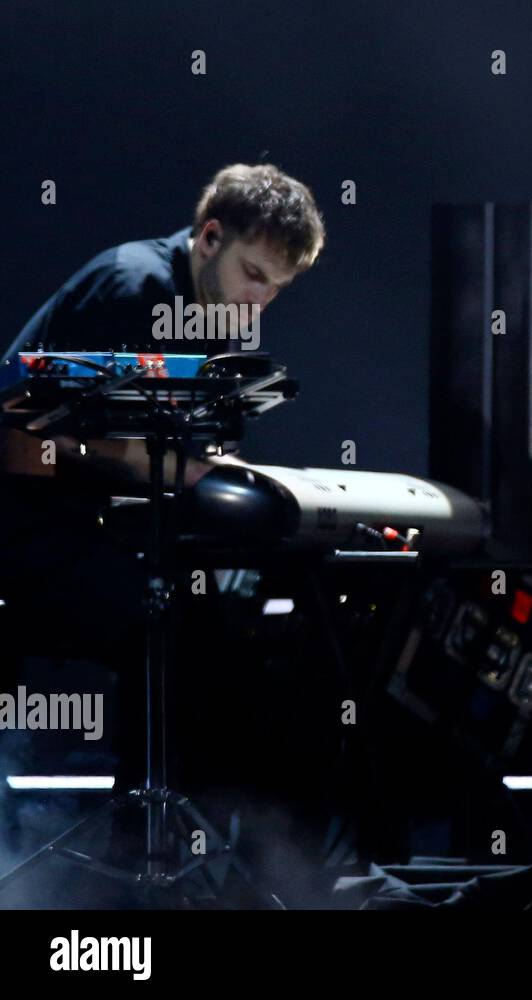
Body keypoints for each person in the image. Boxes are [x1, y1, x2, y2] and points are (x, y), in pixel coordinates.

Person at [0, 163, 325, 800]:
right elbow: (18, 443)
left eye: (276, 289)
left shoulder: (215, 312)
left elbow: (171, 448)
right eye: (253, 275)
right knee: (181, 631)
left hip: (91, 533)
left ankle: (210, 852)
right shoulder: (136, 285)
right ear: (209, 238)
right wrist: (170, 467)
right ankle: (145, 853)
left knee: (247, 626)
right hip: (25, 536)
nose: (258, 303)